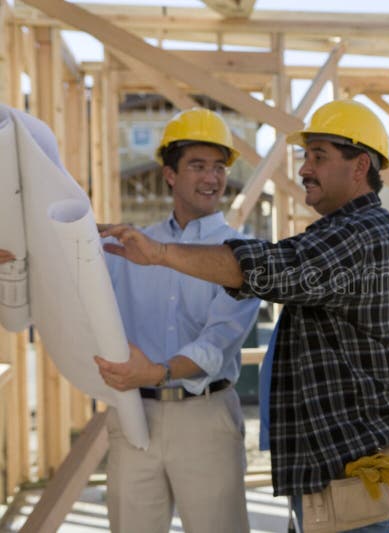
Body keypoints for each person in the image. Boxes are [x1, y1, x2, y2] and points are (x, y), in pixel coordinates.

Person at [100, 99, 389, 532]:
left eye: (319, 156)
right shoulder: (347, 232)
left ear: (360, 166)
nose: (303, 169)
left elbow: (275, 269)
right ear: (171, 174)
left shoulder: (361, 235)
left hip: (351, 463)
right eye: (305, 156)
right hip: (338, 461)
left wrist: (162, 255)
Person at [92, 108, 260, 533]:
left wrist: (161, 370)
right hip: (134, 414)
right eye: (198, 166)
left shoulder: (242, 253)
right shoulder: (130, 247)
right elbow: (77, 290)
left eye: (219, 167)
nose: (212, 178)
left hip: (205, 416)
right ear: (170, 175)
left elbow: (221, 339)